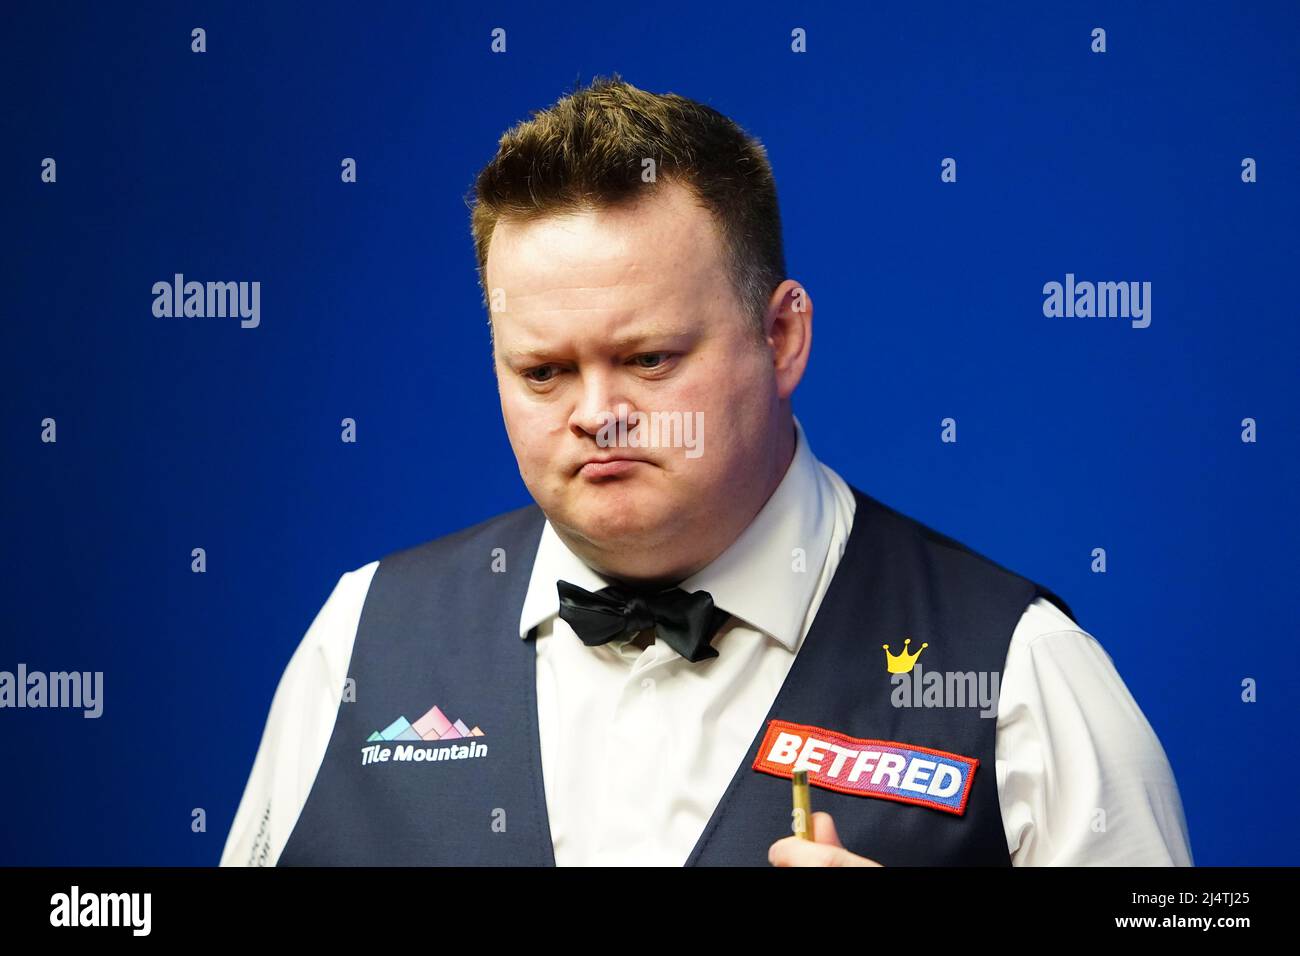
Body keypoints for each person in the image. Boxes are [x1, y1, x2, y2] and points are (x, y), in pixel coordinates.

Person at [220, 74, 1193, 867]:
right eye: (544, 370)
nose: (597, 411)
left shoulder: (1019, 670)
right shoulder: (358, 639)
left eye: (648, 358)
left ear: (780, 337)